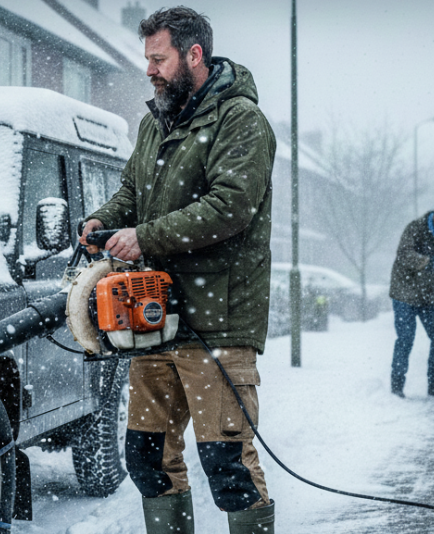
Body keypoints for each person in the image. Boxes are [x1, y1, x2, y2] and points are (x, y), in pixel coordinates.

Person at [80, 7, 276, 534]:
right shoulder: (153, 123)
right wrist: (107, 219)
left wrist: (145, 235)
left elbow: (230, 206)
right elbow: (131, 192)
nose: (150, 70)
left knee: (228, 466)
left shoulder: (241, 121)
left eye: (159, 59)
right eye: (147, 59)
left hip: (218, 323)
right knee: (147, 461)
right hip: (154, 318)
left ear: (194, 55)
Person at [389, 200, 434, 398]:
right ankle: (396, 388)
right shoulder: (415, 228)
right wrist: (429, 262)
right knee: (406, 339)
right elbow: (404, 255)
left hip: (429, 296)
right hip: (405, 293)